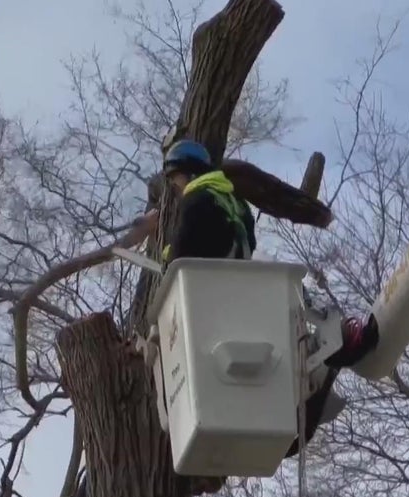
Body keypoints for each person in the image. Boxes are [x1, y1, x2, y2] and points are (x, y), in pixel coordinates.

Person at [158, 139, 379, 468]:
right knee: (269, 384)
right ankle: (326, 356)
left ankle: (328, 354)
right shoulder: (233, 201)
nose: (175, 188)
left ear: (185, 173)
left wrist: (167, 259)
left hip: (207, 295)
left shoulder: (198, 199)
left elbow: (186, 249)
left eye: (175, 179)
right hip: (241, 287)